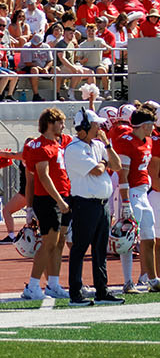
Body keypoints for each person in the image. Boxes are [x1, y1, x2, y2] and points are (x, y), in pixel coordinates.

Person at [63, 108, 123, 305]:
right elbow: (97, 171)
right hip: (85, 204)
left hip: (102, 204)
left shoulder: (99, 145)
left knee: (100, 249)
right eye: (96, 124)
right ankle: (75, 292)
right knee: (80, 248)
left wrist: (107, 146)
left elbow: (117, 165)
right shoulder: (74, 149)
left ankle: (102, 290)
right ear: (85, 126)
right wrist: (104, 161)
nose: (100, 127)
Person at [21, 108, 73, 302]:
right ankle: (33, 285)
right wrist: (59, 200)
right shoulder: (41, 146)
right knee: (48, 243)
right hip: (50, 199)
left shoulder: (56, 144)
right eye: (60, 122)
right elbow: (43, 176)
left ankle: (53, 283)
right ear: (50, 124)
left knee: (59, 243)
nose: (63, 126)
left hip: (63, 196)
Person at [110, 109, 158, 293]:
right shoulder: (126, 142)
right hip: (129, 193)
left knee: (149, 236)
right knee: (127, 240)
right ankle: (128, 282)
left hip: (143, 193)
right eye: (151, 124)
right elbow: (123, 175)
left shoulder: (147, 141)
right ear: (145, 125)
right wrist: (125, 202)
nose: (153, 128)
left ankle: (152, 279)